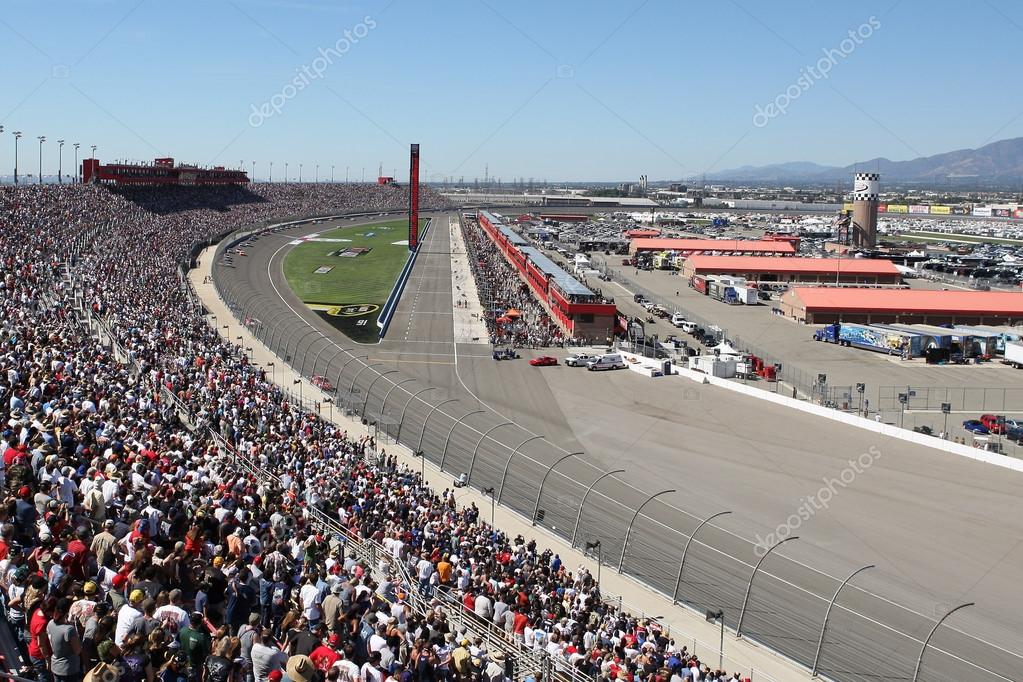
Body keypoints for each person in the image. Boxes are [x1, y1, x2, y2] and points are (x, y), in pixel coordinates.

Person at [47, 597, 82, 682]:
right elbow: (77, 650)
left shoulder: (50, 623)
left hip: (56, 666)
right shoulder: (69, 630)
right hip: (68, 669)